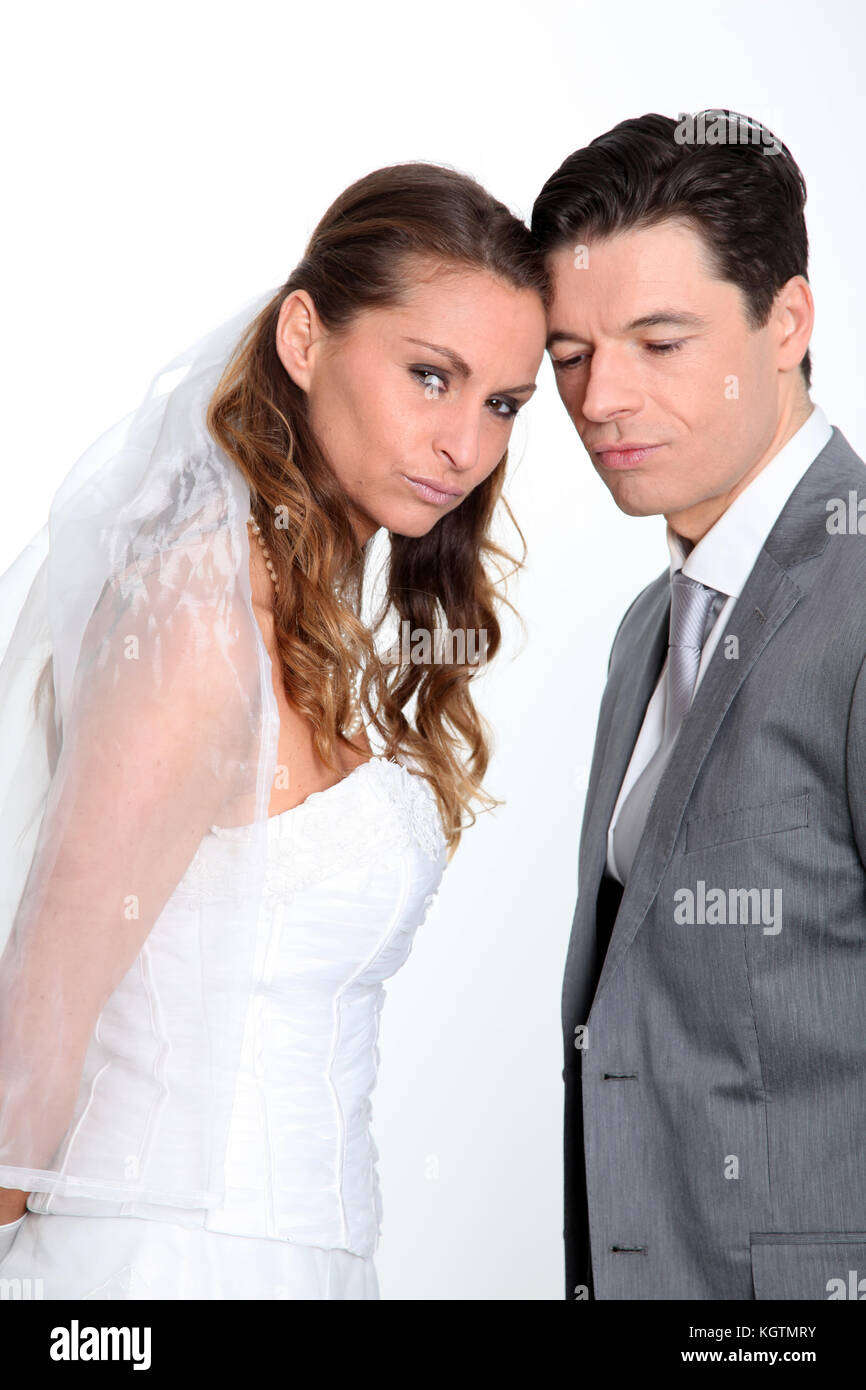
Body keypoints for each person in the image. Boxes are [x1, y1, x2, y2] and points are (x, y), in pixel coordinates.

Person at [0, 161, 548, 1299]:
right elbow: (35, 1028)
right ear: (305, 338)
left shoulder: (308, 621)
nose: (464, 444)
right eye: (429, 376)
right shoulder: (201, 621)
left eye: (502, 403)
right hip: (153, 1272)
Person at [532, 110, 866, 1300]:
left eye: (657, 342)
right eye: (568, 353)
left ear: (785, 323)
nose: (599, 397)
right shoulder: (647, 630)